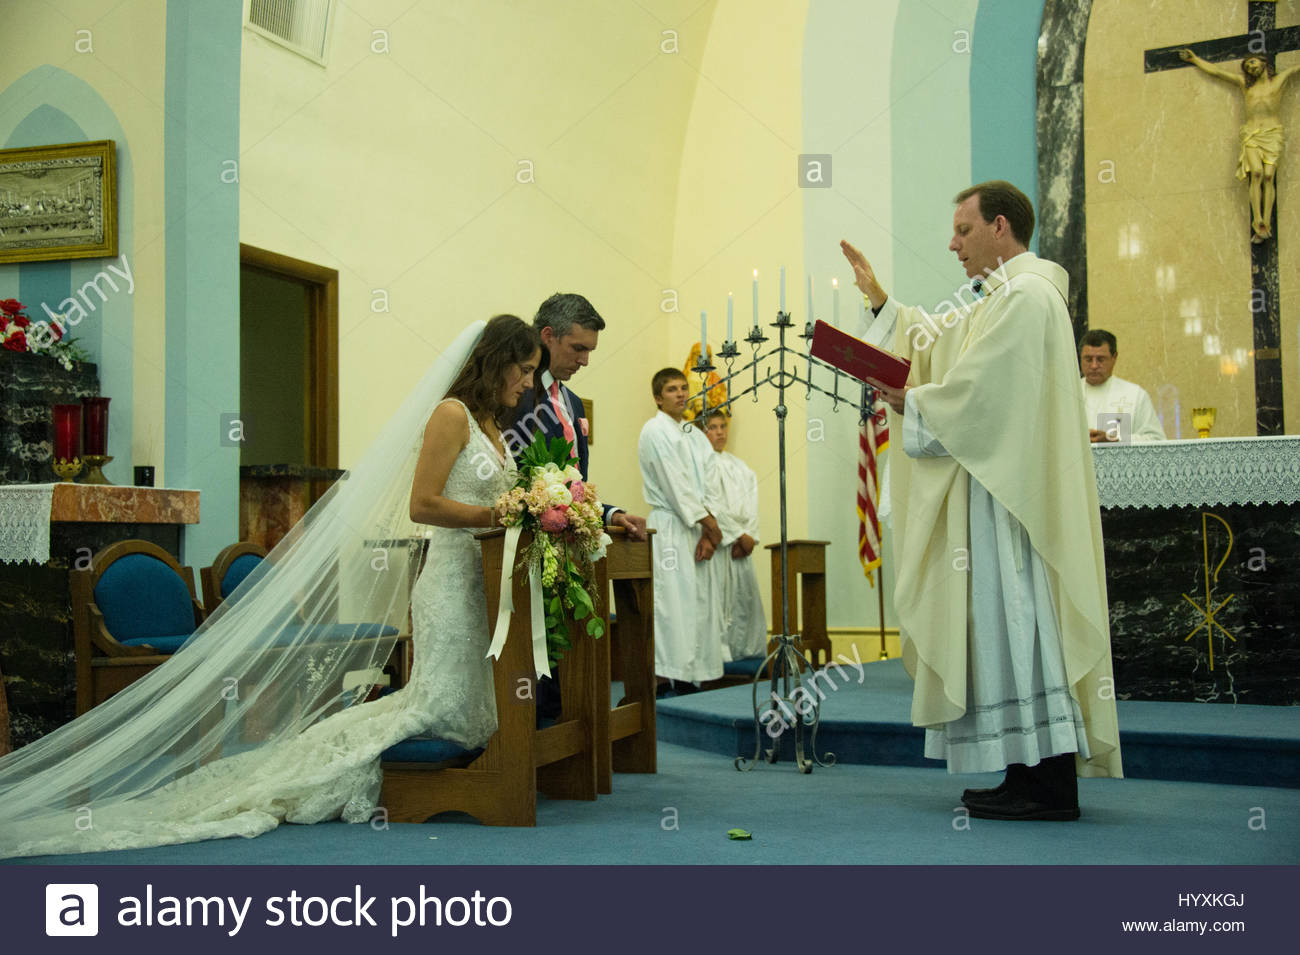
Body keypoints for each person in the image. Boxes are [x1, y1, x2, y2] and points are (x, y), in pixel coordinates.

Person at [0, 316, 541, 858]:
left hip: (485, 579)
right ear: (496, 360)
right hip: (450, 581)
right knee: (436, 705)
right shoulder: (452, 416)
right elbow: (421, 505)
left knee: (468, 704)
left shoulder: (493, 425)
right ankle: (380, 773)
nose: (527, 383)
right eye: (523, 370)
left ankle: (487, 765)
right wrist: (496, 512)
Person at [840, 180, 1122, 821]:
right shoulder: (999, 296)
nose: (952, 243)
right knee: (1006, 630)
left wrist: (914, 398)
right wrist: (882, 304)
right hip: (995, 494)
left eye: (963, 230)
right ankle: (1025, 772)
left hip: (1012, 507)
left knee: (1019, 627)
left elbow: (981, 393)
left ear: (1000, 227)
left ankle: (1049, 785)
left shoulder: (1026, 298)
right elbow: (942, 346)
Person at [508, 292, 646, 539]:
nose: (584, 361)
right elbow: (509, 481)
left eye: (590, 351)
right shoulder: (515, 393)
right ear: (548, 336)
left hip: (568, 543)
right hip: (522, 541)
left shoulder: (573, 403)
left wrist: (609, 514)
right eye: (578, 348)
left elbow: (572, 488)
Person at [638, 368, 723, 690]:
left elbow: (711, 481)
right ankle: (666, 676)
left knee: (699, 603)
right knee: (672, 604)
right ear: (658, 398)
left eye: (684, 388)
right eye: (672, 389)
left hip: (699, 527)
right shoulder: (654, 431)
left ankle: (694, 675)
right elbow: (676, 485)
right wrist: (710, 526)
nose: (681, 394)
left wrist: (709, 533)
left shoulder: (694, 433)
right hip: (671, 525)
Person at [1179, 49, 1300, 243]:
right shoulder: (1245, 84)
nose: (1251, 67)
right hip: (1251, 134)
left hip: (1272, 133)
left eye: (1253, 63)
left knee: (1269, 176)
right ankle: (1257, 220)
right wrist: (1195, 59)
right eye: (1247, 66)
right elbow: (1217, 72)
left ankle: (1265, 223)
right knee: (1257, 173)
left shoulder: (1278, 80)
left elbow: (1296, 69)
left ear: (1263, 63)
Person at [699, 410, 767, 661]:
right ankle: (720, 657)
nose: (720, 432)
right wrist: (737, 534)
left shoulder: (741, 468)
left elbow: (751, 505)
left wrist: (750, 537)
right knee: (719, 600)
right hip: (721, 542)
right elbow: (710, 503)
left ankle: (745, 653)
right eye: (713, 427)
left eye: (723, 426)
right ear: (702, 432)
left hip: (741, 546)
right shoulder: (702, 465)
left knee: (744, 599)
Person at [1079, 329, 1166, 443]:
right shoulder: (1066, 394)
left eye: (1100, 359)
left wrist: (1115, 438)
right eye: (1088, 359)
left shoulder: (1135, 395)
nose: (1094, 365)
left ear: (1114, 358)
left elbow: (1157, 440)